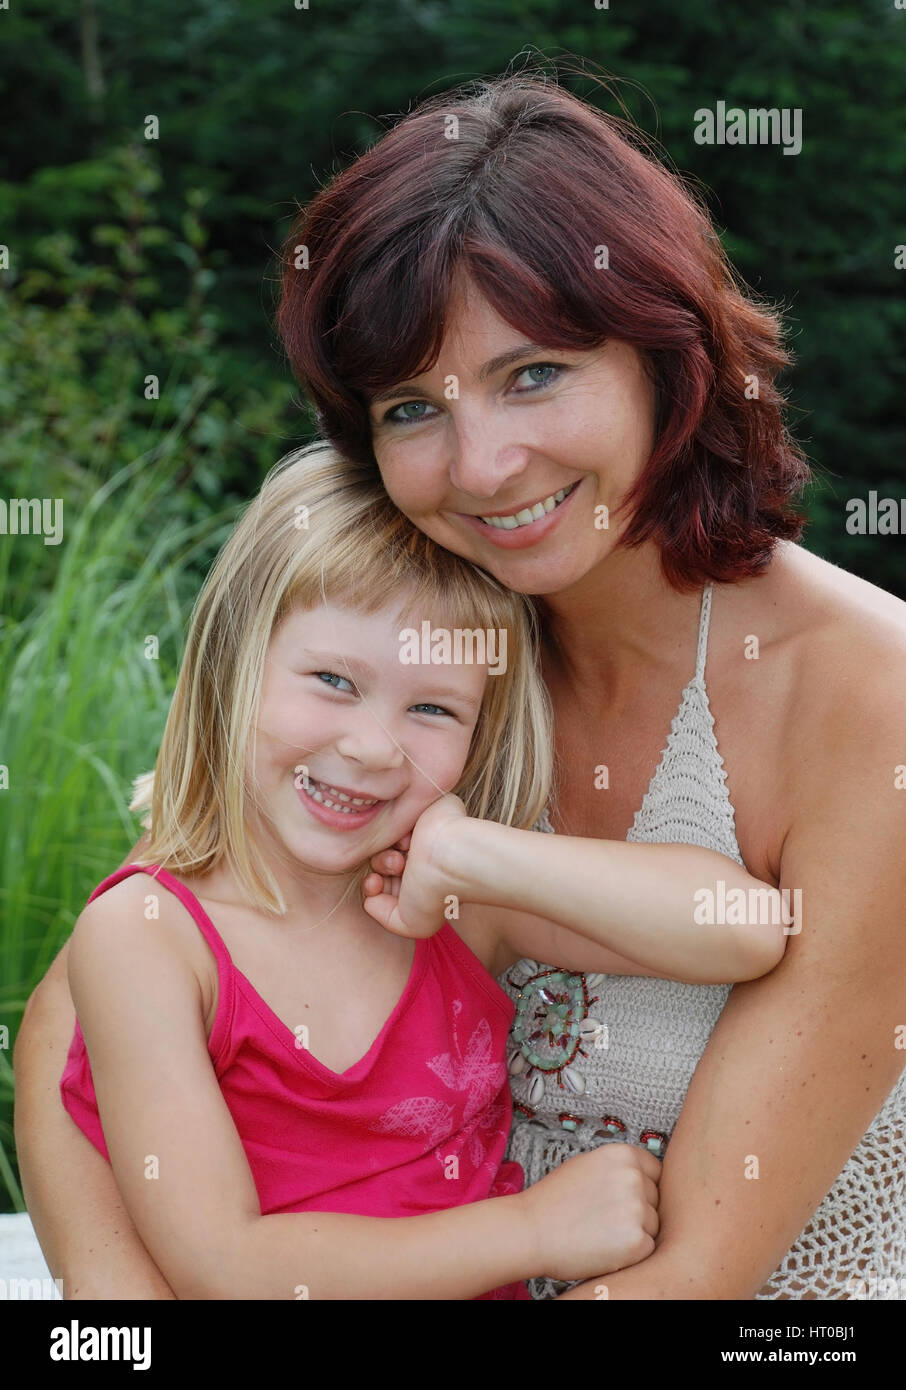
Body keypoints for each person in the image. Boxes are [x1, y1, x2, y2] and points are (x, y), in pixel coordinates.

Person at [15, 64, 906, 1301]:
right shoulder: (406, 647)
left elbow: (694, 1275)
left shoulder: (869, 690)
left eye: (535, 371)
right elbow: (75, 1018)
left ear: (669, 356)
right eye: (410, 405)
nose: (482, 465)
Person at [26, 440, 784, 1300]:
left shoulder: (451, 902)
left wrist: (481, 855)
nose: (371, 747)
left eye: (432, 708)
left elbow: (745, 927)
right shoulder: (150, 939)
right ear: (233, 663)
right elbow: (228, 1268)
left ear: (480, 733)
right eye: (333, 681)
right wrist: (532, 1229)